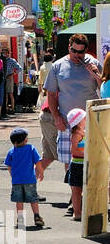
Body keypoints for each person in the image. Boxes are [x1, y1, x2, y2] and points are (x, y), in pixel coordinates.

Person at [38, 36, 101, 174]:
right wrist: (57, 117)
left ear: (85, 51)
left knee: (92, 160)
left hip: (90, 122)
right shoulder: (58, 66)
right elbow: (51, 94)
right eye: (74, 50)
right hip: (67, 122)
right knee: (70, 163)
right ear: (69, 47)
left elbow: (105, 89)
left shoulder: (93, 63)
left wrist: (97, 75)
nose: (76, 55)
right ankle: (74, 194)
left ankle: (85, 194)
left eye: (80, 52)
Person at [5, 126, 44, 230]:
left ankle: (20, 219)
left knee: (19, 201)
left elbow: (9, 165)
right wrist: (41, 172)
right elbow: (38, 162)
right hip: (30, 180)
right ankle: (37, 216)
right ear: (25, 140)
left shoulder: (11, 151)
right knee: (33, 199)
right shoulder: (31, 148)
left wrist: (12, 175)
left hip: (17, 181)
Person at [61, 108, 87, 221]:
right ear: (79, 121)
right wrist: (86, 154)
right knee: (76, 190)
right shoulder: (76, 135)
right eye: (84, 118)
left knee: (84, 188)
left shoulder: (84, 132)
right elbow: (74, 151)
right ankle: (77, 213)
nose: (86, 119)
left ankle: (83, 211)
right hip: (77, 165)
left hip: (84, 164)